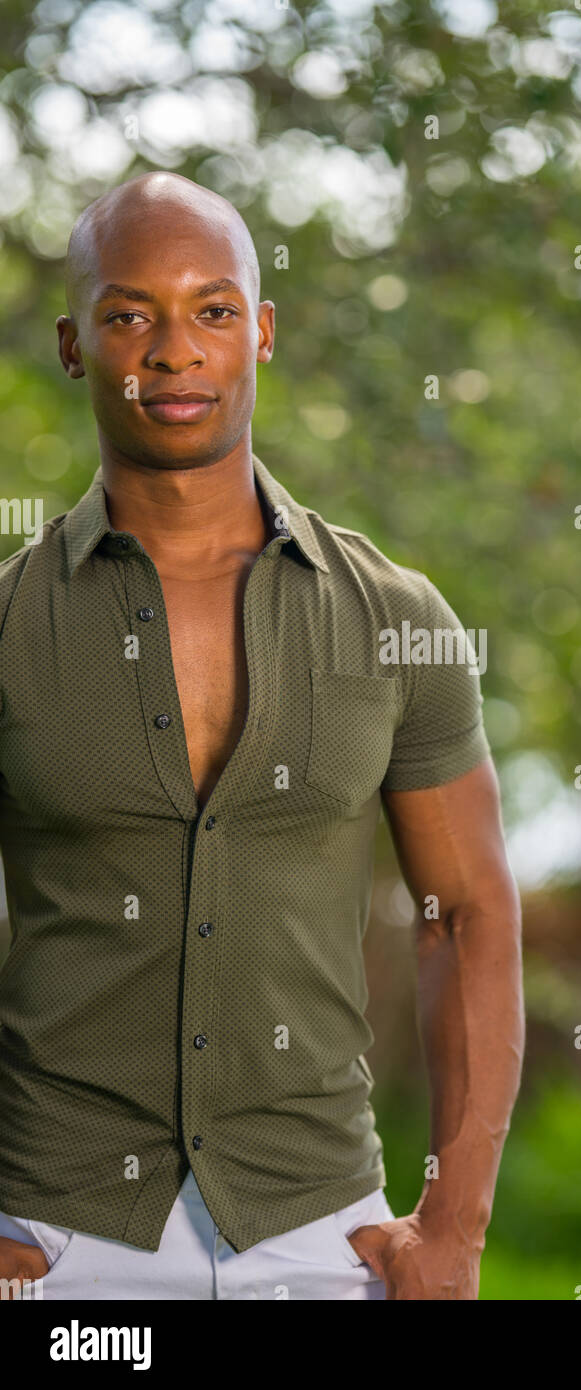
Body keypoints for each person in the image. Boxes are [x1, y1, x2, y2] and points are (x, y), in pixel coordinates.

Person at [0, 172, 523, 1300]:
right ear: (74, 344)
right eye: (131, 312)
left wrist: (456, 1225)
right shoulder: (4, 627)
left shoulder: (396, 619)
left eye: (214, 308)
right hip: (52, 1236)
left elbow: (468, 915)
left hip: (318, 1237)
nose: (175, 349)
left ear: (263, 332)